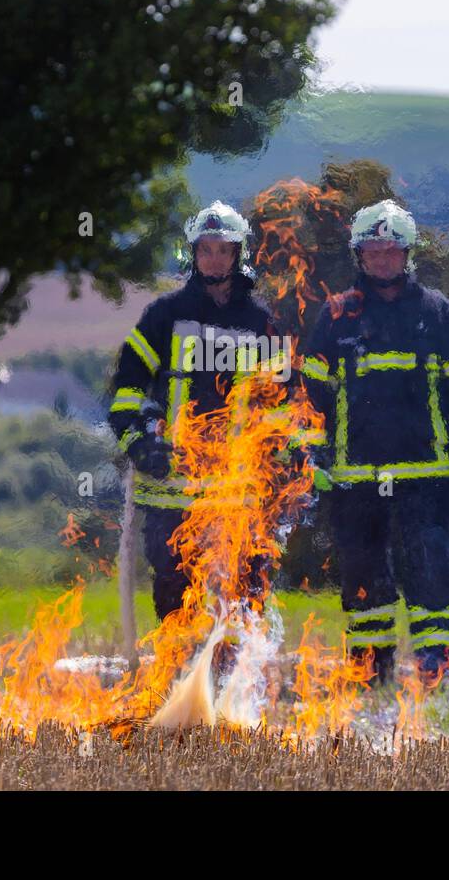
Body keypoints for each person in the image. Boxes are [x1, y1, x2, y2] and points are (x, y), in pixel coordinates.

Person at [298, 199, 449, 686]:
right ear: (359, 256)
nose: (382, 259)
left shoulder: (440, 315)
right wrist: (307, 455)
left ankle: (438, 662)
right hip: (354, 479)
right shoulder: (336, 316)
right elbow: (310, 396)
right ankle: (369, 667)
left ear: (408, 254)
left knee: (431, 569)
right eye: (373, 251)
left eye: (391, 250)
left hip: (425, 477)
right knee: (364, 578)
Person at [108, 201, 282, 621]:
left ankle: (236, 685)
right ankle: (177, 682)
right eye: (205, 249)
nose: (214, 258)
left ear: (238, 254)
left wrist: (280, 457)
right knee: (174, 599)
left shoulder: (262, 323)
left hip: (237, 489)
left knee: (244, 602)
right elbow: (126, 389)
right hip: (172, 487)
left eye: (223, 249)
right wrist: (139, 443)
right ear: (193, 253)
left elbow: (282, 401)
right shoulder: (164, 315)